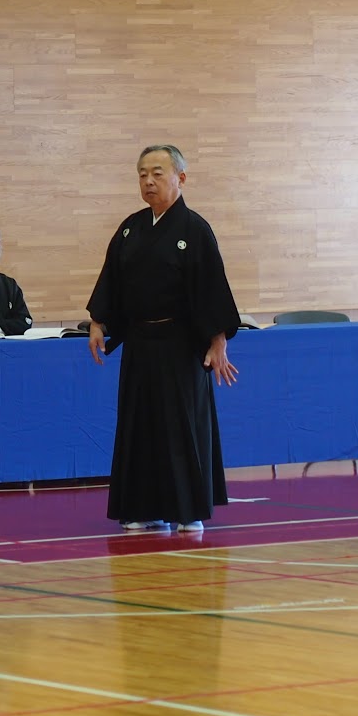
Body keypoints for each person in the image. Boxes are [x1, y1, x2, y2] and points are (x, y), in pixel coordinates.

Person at [86, 145, 240, 535]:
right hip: (140, 342)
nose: (148, 181)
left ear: (180, 178)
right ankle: (143, 508)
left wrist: (218, 342)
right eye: (142, 174)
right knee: (139, 425)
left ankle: (187, 511)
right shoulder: (130, 229)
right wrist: (99, 322)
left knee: (181, 425)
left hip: (182, 345)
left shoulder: (195, 230)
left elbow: (212, 290)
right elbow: (112, 282)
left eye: (157, 173)